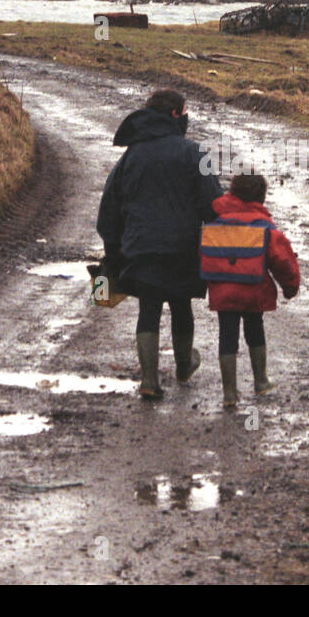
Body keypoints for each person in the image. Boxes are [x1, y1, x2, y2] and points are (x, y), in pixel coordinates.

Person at [97, 89, 222, 399]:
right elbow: (213, 205)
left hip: (141, 247)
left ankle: (149, 381)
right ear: (177, 114)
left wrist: (112, 248)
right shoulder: (195, 153)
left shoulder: (131, 155)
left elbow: (109, 206)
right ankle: (183, 365)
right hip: (183, 247)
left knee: (148, 309)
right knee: (181, 305)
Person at [202, 173, 300, 408]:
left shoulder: (216, 225)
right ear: (261, 197)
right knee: (255, 332)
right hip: (254, 291)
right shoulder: (265, 228)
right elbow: (283, 261)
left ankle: (229, 392)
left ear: (233, 193)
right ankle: (261, 380)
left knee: (227, 337)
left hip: (224, 293)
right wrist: (290, 287)